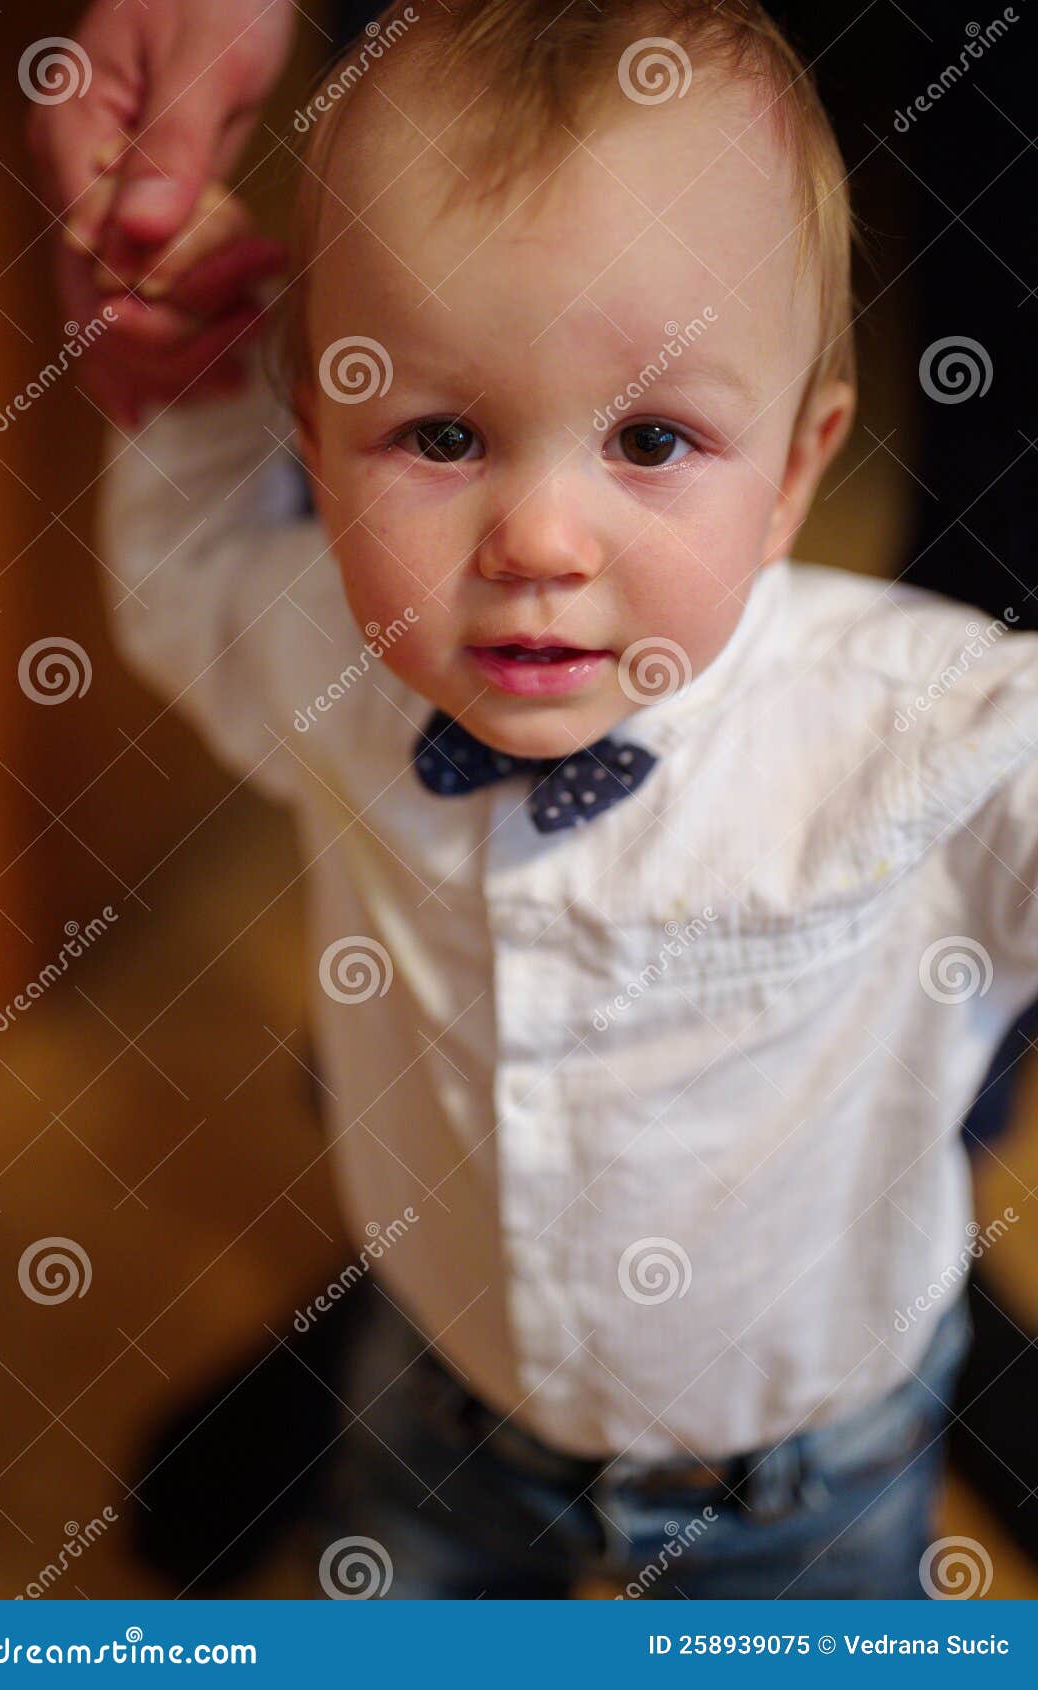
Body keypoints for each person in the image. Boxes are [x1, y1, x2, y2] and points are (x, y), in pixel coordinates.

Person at [62, 0, 1038, 1599]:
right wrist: (190, 394)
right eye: (440, 435)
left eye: (650, 438)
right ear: (317, 433)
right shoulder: (328, 648)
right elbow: (186, 588)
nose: (538, 540)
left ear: (794, 467)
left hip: (800, 1477)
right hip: (434, 1397)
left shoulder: (920, 740)